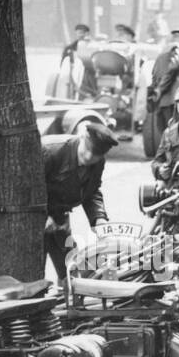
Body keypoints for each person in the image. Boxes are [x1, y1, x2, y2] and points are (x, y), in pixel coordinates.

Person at [41, 118, 118, 279]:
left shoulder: (98, 162)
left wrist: (99, 219)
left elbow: (92, 190)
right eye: (86, 151)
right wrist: (42, 216)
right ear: (82, 138)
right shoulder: (51, 151)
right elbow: (29, 186)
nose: (89, 157)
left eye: (96, 155)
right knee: (32, 279)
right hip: (35, 218)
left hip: (60, 218)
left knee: (72, 273)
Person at [148, 27, 179, 138]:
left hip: (163, 101)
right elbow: (172, 69)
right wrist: (160, 89)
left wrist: (157, 91)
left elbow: (155, 74)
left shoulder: (163, 52)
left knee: (167, 133)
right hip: (176, 99)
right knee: (178, 133)